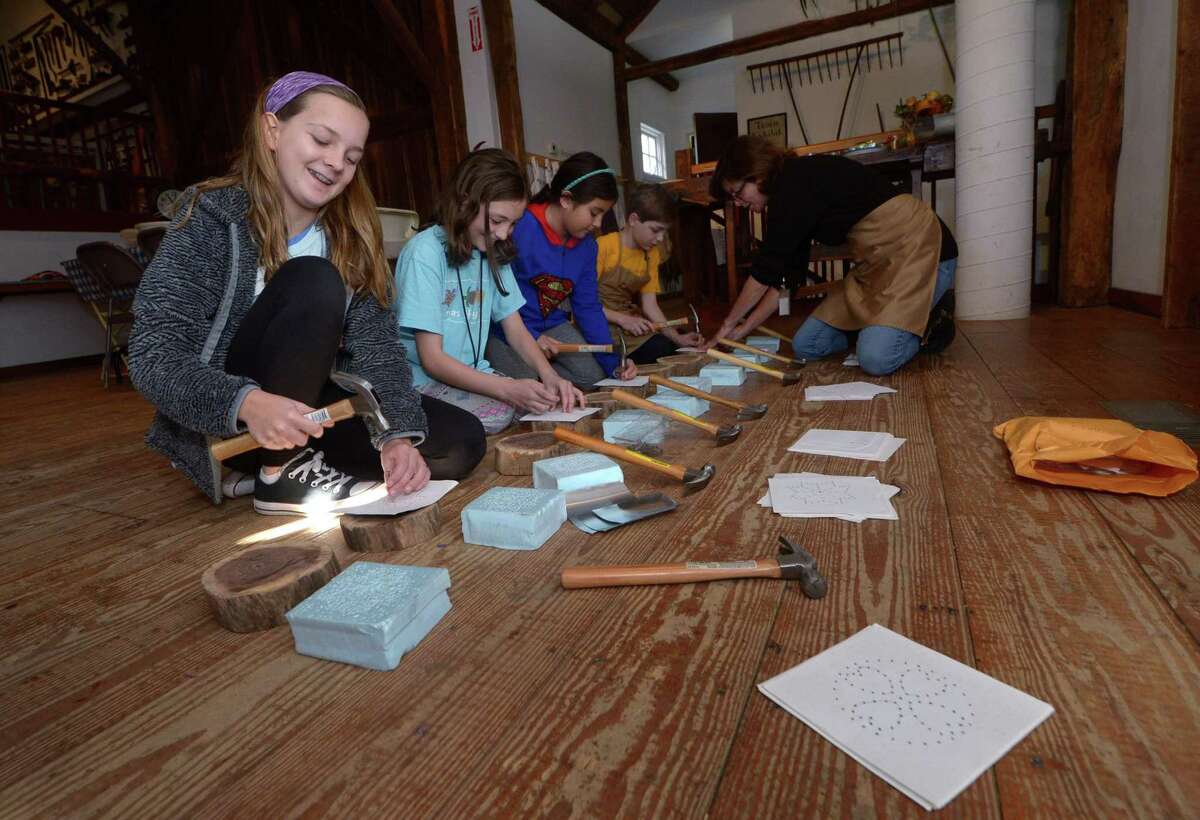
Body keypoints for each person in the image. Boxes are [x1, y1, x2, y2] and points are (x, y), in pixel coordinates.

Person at [129, 71, 485, 516]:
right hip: (236, 420)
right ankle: (276, 474)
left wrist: (396, 434)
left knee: (460, 442)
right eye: (321, 140)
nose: (336, 163)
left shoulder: (350, 236)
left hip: (309, 416)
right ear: (271, 130)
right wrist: (248, 402)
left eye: (352, 156)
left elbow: (377, 350)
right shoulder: (210, 218)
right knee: (313, 280)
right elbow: (152, 354)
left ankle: (287, 468)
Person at [707, 135, 958, 376]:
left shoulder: (792, 184)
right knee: (807, 345)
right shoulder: (789, 195)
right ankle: (881, 330)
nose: (738, 202)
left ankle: (932, 323)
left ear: (757, 173)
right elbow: (786, 280)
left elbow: (764, 273)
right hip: (875, 263)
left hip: (919, 250)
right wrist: (741, 331)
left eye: (737, 192)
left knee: (876, 359)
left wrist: (727, 326)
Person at [394, 148, 584, 434]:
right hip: (422, 381)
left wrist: (549, 375)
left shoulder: (493, 252)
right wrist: (507, 389)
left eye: (513, 223)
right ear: (464, 202)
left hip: (473, 374)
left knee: (546, 402)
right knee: (501, 414)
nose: (504, 234)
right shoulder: (424, 252)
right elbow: (432, 360)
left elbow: (517, 331)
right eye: (497, 221)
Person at [485, 152, 639, 389]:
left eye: (603, 215)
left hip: (552, 325)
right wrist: (533, 338)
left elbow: (588, 307)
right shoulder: (519, 227)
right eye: (594, 213)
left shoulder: (588, 246)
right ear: (566, 199)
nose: (598, 224)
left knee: (594, 378)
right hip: (506, 329)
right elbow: (496, 299)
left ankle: (552, 374)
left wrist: (614, 363)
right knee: (528, 386)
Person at [595, 183, 704, 364]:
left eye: (664, 232)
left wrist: (678, 338)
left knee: (676, 342)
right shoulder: (604, 246)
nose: (660, 238)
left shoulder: (651, 253)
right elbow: (583, 306)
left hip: (629, 322)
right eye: (655, 230)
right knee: (660, 348)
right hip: (600, 322)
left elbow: (650, 306)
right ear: (633, 219)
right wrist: (623, 319)